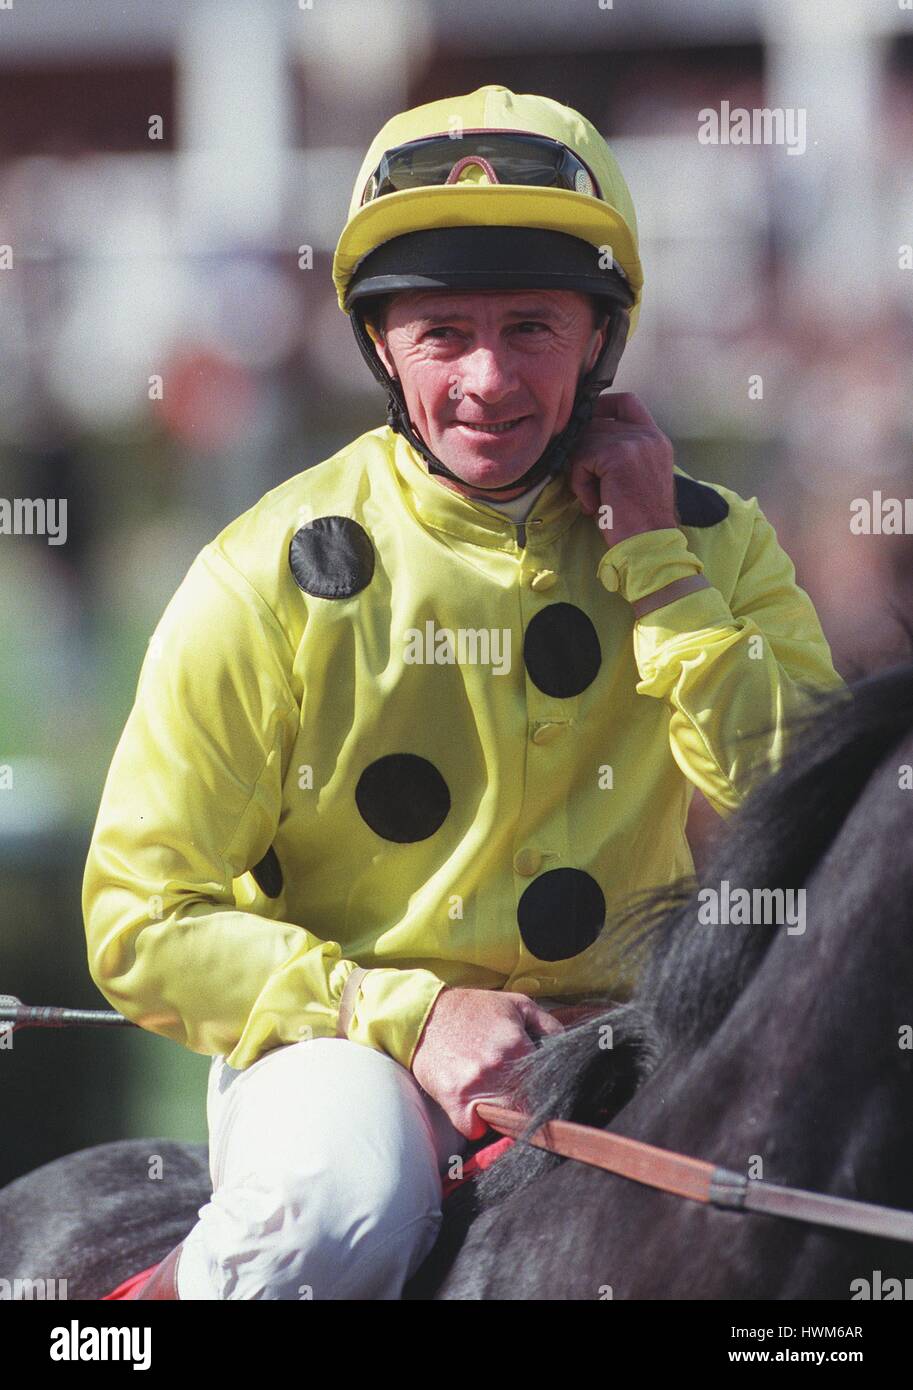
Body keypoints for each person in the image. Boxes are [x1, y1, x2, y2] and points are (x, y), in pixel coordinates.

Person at [82, 85, 845, 1300]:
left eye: (533, 324)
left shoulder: (722, 544)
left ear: (602, 337)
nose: (489, 378)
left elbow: (803, 813)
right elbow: (137, 918)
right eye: (442, 332)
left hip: (639, 1038)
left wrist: (660, 569)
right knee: (334, 1217)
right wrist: (410, 1013)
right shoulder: (258, 574)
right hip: (342, 1055)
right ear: (380, 346)